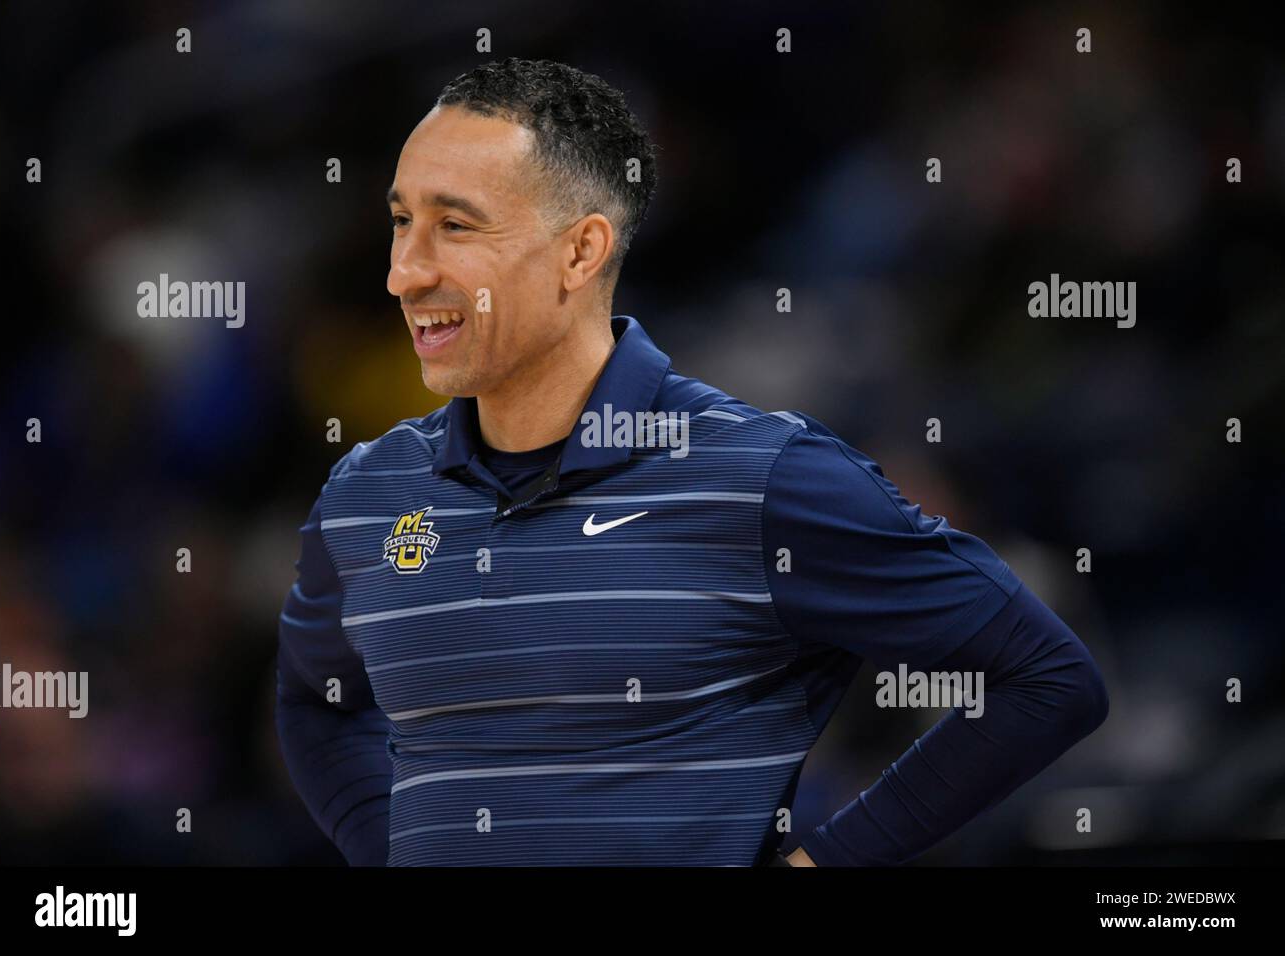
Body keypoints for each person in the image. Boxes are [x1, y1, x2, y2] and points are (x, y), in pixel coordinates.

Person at [275, 58, 1108, 866]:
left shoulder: (764, 476)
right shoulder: (367, 491)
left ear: (580, 251)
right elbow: (315, 701)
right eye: (402, 222)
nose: (405, 273)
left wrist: (833, 859)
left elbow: (1046, 676)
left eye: (455, 226)